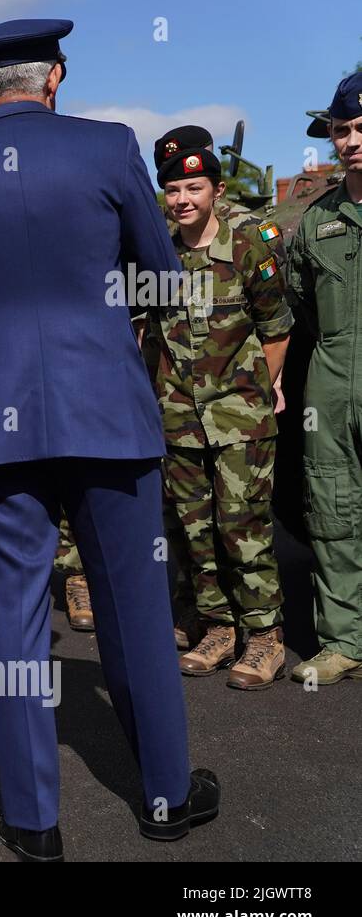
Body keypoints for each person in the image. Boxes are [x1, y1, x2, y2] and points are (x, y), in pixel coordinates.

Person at [0, 18, 219, 861]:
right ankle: (166, 796)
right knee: (138, 611)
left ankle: (35, 824)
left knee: (12, 621)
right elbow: (160, 275)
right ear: (56, 79)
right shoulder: (110, 149)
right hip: (107, 412)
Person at [145, 146, 292, 690]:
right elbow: (147, 330)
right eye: (174, 190)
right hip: (178, 419)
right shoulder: (157, 252)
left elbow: (275, 326)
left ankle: (265, 637)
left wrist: (261, 389)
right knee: (195, 531)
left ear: (217, 192)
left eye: (194, 188)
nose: (182, 200)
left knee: (244, 528)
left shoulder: (249, 245)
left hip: (240, 421)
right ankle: (217, 628)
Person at [285, 72, 362, 686]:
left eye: (361, 127)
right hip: (332, 386)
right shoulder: (316, 224)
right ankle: (343, 641)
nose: (353, 140)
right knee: (333, 512)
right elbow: (299, 312)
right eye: (342, 130)